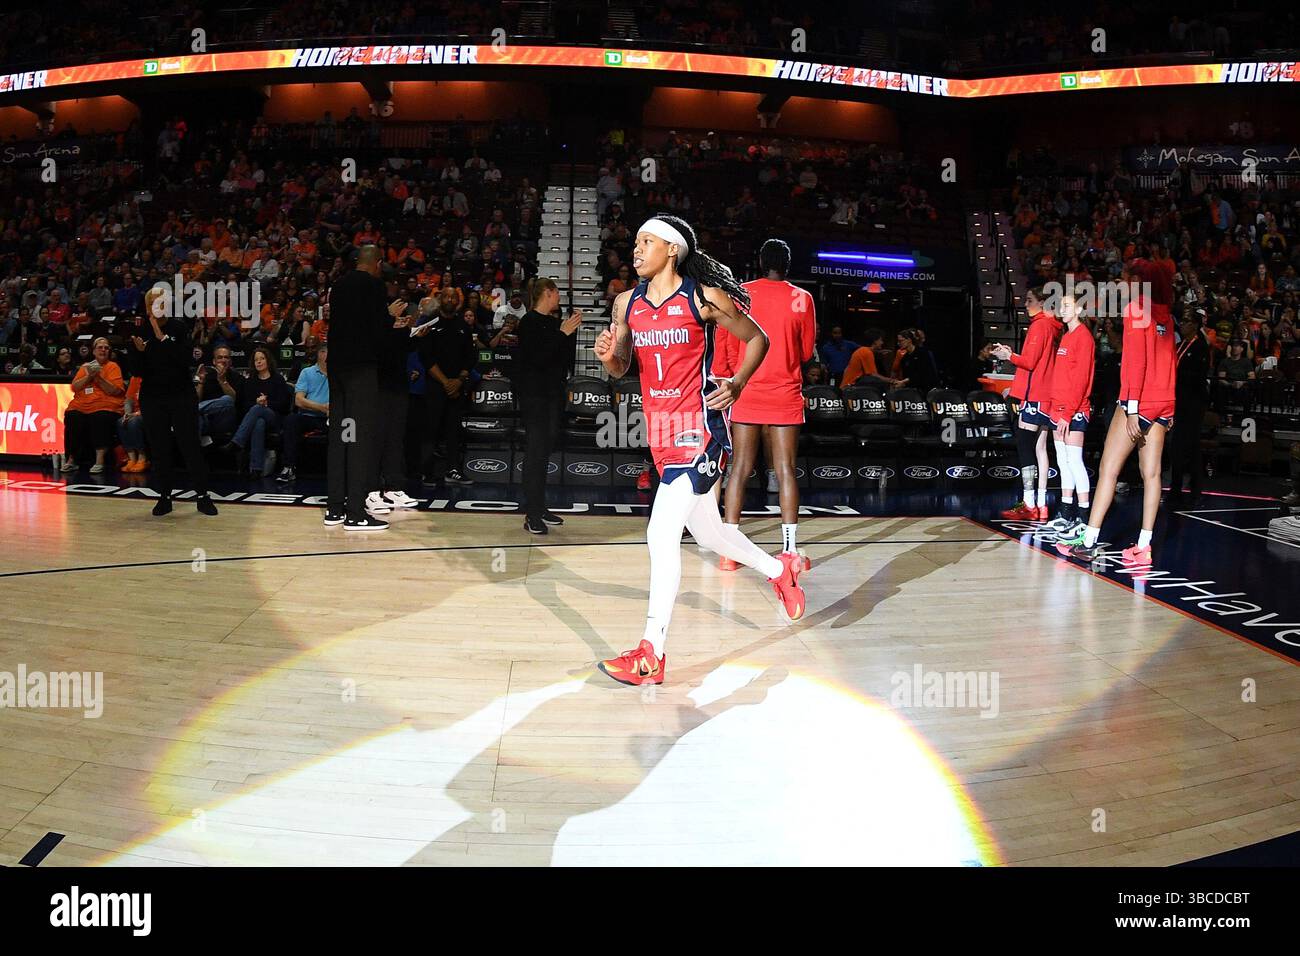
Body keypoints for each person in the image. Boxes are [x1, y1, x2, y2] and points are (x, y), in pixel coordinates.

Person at [592, 214, 806, 687]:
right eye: (636, 242)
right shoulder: (627, 304)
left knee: (660, 533)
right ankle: (779, 570)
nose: (636, 249)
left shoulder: (704, 298)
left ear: (672, 249)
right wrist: (609, 356)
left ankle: (651, 653)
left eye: (646, 242)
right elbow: (622, 367)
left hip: (701, 430)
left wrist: (737, 382)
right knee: (709, 535)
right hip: (661, 432)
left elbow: (758, 338)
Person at [1060, 261, 1177, 566]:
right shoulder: (1167, 315)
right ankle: (1144, 547)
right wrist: (1169, 407)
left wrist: (1133, 409)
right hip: (1163, 402)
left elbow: (1136, 363)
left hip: (1137, 403)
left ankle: (1088, 542)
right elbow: (1169, 363)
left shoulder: (1136, 309)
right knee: (1152, 475)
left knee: (1109, 470)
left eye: (1127, 279)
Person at [712, 238, 816, 571]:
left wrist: (733, 375)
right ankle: (789, 551)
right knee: (784, 469)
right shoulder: (803, 298)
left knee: (739, 468)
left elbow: (725, 341)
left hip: (747, 389)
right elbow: (804, 352)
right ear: (787, 264)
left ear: (760, 261)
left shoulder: (739, 294)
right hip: (785, 391)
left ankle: (729, 551)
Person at [326, 245, 409, 530]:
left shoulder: (337, 286)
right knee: (360, 440)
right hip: (360, 371)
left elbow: (346, 325)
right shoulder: (374, 286)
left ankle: (334, 508)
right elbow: (377, 332)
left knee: (342, 436)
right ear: (376, 264)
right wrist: (391, 321)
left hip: (337, 371)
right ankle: (356, 513)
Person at [127, 286, 218, 516]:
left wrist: (162, 337)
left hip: (180, 395)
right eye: (154, 304)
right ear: (148, 308)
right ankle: (164, 497)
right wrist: (138, 352)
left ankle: (202, 496)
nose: (159, 307)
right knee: (160, 449)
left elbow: (184, 360)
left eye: (162, 302)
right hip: (153, 397)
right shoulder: (141, 331)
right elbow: (137, 371)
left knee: (190, 445)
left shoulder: (179, 327)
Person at [514, 277, 582, 534]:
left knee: (545, 451)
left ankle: (540, 506)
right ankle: (531, 513)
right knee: (535, 452)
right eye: (557, 294)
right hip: (534, 396)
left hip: (553, 394)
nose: (559, 298)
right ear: (548, 293)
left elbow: (563, 360)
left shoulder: (555, 324)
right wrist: (562, 334)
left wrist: (569, 335)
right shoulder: (528, 322)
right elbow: (537, 359)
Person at [993, 287, 1061, 522]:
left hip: (1036, 396)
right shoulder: (1054, 326)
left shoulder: (1039, 325)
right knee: (1041, 448)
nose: (1025, 303)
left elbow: (1030, 363)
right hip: (1047, 394)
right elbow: (1041, 364)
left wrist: (1008, 357)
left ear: (1043, 303)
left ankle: (1030, 503)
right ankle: (1041, 504)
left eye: (1029, 299)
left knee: (1025, 445)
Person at [1041, 295, 1094, 540]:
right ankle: (1065, 513)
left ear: (1080, 309)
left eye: (1067, 305)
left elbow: (1081, 380)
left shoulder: (1084, 337)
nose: (1062, 309)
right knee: (1062, 462)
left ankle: (1084, 518)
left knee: (1074, 461)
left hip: (1073, 411)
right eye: (1060, 305)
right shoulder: (1066, 335)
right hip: (1058, 410)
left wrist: (1069, 413)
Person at [418, 287, 476, 486]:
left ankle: (453, 469)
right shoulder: (430, 323)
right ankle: (427, 471)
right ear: (441, 299)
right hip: (435, 385)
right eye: (447, 296)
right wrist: (445, 382)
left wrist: (459, 381)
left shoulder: (463, 326)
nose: (450, 299)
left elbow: (470, 358)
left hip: (457, 387)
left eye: (454, 297)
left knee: (454, 430)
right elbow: (426, 357)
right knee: (430, 429)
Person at [221, 346, 294, 476]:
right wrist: (257, 403)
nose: (259, 362)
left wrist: (266, 403)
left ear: (268, 361)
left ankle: (237, 441)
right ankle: (256, 468)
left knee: (258, 409)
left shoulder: (278, 379)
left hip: (275, 418)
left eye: (262, 359)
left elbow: (284, 404)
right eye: (256, 360)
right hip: (256, 418)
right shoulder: (250, 382)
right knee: (258, 422)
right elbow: (244, 405)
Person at [62, 337, 126, 474]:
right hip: (82, 405)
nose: (103, 350)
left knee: (100, 417)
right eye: (100, 347)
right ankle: (72, 460)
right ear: (94, 351)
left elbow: (113, 390)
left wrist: (98, 377)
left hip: (105, 406)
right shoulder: (85, 367)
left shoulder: (113, 367)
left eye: (106, 347)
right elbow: (75, 387)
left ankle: (100, 460)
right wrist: (89, 376)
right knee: (72, 416)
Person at [1168, 311, 1211, 496]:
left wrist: (1176, 376)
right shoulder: (1178, 345)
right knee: (1178, 444)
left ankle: (1193, 486)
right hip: (1178, 400)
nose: (1182, 324)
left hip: (1193, 402)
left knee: (1191, 445)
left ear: (1194, 325)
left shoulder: (1201, 347)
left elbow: (1198, 376)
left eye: (1186, 321)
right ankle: (1177, 486)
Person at [276, 343, 329, 483]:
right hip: (309, 416)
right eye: (323, 352)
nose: (326, 355)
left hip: (332, 417)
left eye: (329, 352)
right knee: (291, 420)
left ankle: (346, 469)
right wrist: (321, 407)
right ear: (318, 355)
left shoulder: (340, 374)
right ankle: (289, 467)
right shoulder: (307, 372)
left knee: (349, 424)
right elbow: (299, 400)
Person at [194, 345, 243, 443]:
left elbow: (233, 401)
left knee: (227, 399)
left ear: (230, 361)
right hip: (206, 419)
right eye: (220, 357)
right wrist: (201, 382)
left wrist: (222, 380)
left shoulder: (237, 377)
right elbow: (196, 400)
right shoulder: (206, 375)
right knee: (196, 418)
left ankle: (190, 409)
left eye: (226, 357)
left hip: (224, 419)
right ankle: (195, 454)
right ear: (214, 361)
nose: (223, 360)